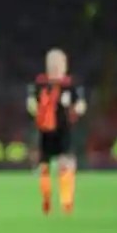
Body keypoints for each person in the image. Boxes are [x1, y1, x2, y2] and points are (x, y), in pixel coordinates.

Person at [29, 48, 86, 214]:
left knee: (65, 164)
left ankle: (66, 201)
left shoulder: (70, 85)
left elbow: (81, 103)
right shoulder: (40, 84)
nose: (55, 67)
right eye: (51, 63)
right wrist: (37, 112)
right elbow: (31, 102)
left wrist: (77, 110)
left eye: (58, 63)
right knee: (44, 166)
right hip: (46, 131)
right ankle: (46, 198)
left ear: (64, 66)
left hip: (64, 130)